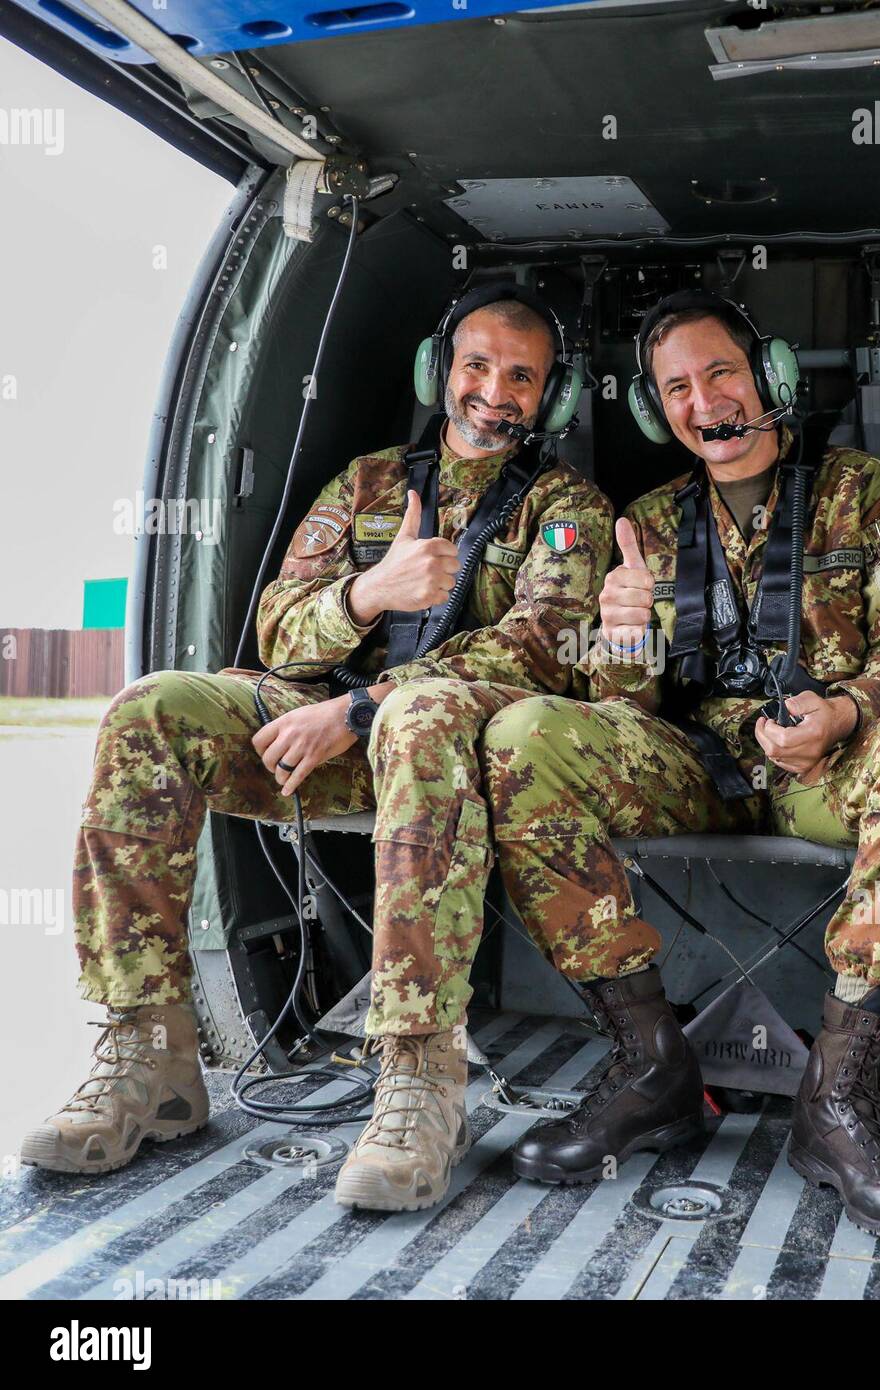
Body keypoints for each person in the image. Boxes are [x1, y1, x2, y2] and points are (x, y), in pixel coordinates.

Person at [22, 283, 613, 1215]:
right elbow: (278, 630)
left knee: (419, 718)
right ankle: (152, 1056)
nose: (494, 391)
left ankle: (421, 1078)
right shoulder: (369, 483)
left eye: (521, 377)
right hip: (319, 732)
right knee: (150, 709)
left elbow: (535, 650)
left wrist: (364, 707)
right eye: (476, 365)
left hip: (449, 753)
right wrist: (369, 594)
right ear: (439, 370)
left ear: (552, 397)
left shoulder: (565, 507)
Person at [477, 290, 880, 1236]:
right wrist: (623, 636)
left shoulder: (860, 491)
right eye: (675, 387)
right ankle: (650, 1066)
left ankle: (836, 1099)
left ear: (770, 379)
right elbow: (623, 714)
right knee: (523, 737)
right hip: (697, 772)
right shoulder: (647, 521)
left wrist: (842, 712)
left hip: (828, 767)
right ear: (656, 412)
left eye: (720, 372)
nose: (702, 399)